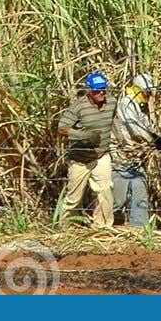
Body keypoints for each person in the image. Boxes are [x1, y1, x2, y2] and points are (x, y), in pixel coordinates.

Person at [54, 72, 115, 227]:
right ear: (88, 90)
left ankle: (103, 227)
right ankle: (66, 227)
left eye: (103, 89)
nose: (101, 93)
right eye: (96, 90)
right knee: (74, 198)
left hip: (101, 156)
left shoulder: (112, 103)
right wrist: (83, 136)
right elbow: (62, 128)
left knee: (105, 191)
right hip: (80, 159)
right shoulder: (79, 107)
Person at [110, 73, 159, 227]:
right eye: (147, 92)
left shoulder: (139, 107)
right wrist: (156, 141)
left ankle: (140, 229)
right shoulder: (126, 103)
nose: (149, 96)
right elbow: (135, 129)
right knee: (118, 200)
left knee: (140, 194)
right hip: (120, 160)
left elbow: (147, 128)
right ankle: (107, 224)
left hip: (136, 161)